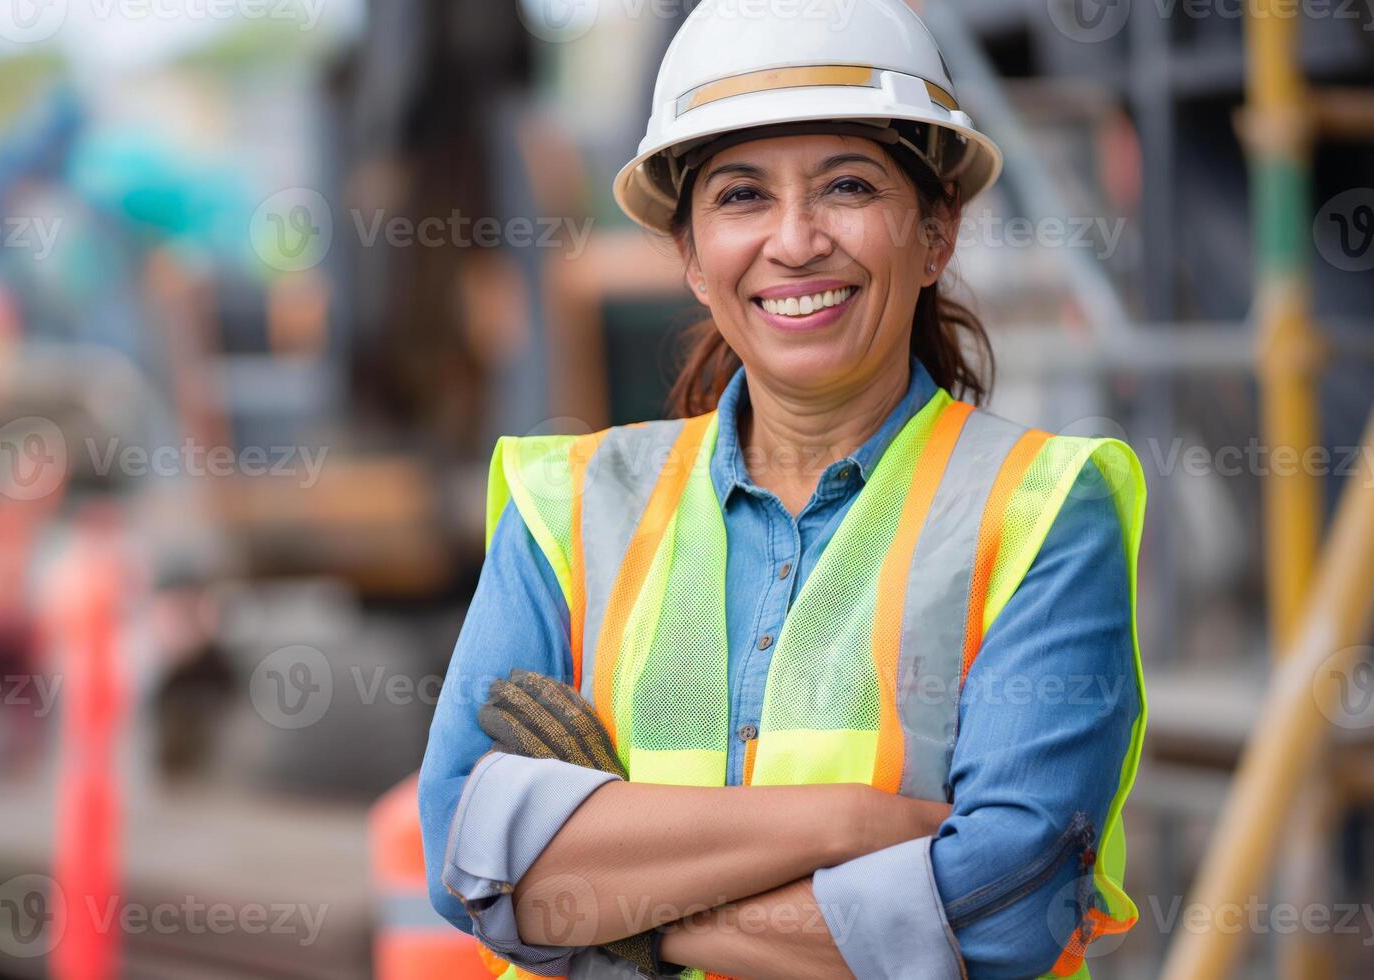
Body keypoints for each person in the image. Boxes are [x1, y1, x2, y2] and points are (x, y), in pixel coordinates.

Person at [419, 2, 1146, 978]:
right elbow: (463, 854)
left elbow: (1005, 914)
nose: (796, 241)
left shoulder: (1043, 509)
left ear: (936, 232)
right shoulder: (571, 504)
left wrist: (607, 908)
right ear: (689, 253)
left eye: (847, 186)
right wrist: (855, 826)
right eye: (742, 196)